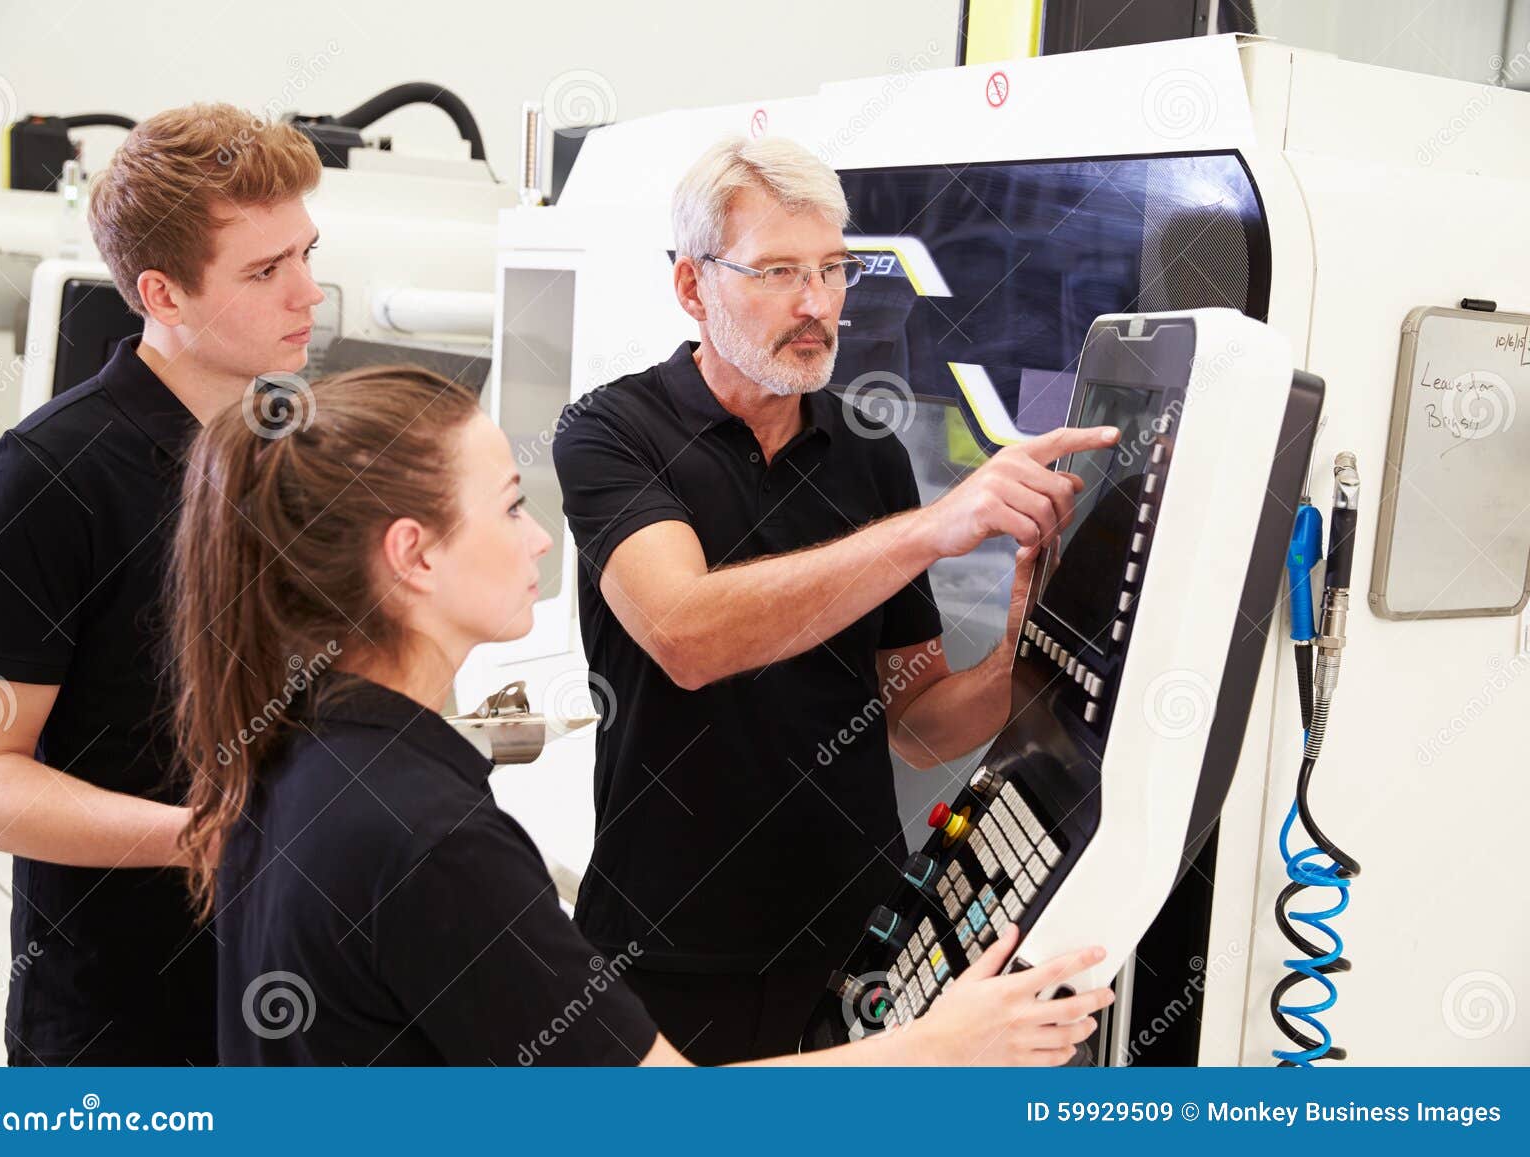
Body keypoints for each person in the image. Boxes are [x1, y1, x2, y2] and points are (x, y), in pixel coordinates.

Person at [165, 364, 1114, 1066]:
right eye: (507, 508)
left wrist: (1024, 656)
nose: (538, 536)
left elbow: (916, 713)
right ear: (413, 553)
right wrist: (945, 1046)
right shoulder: (427, 838)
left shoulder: (303, 754)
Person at [550, 135, 1119, 1062]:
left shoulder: (868, 455)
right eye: (777, 271)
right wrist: (930, 530)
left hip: (860, 940)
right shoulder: (614, 432)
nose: (817, 305)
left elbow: (918, 723)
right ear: (693, 287)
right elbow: (687, 635)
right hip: (671, 948)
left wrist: (1023, 651)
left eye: (832, 270)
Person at [0, 102, 324, 1065]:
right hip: (120, 1026)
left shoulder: (297, 448)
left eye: (308, 253)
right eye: (266, 271)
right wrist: (210, 838)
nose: (310, 293)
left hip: (295, 990)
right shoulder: (45, 481)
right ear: (163, 292)